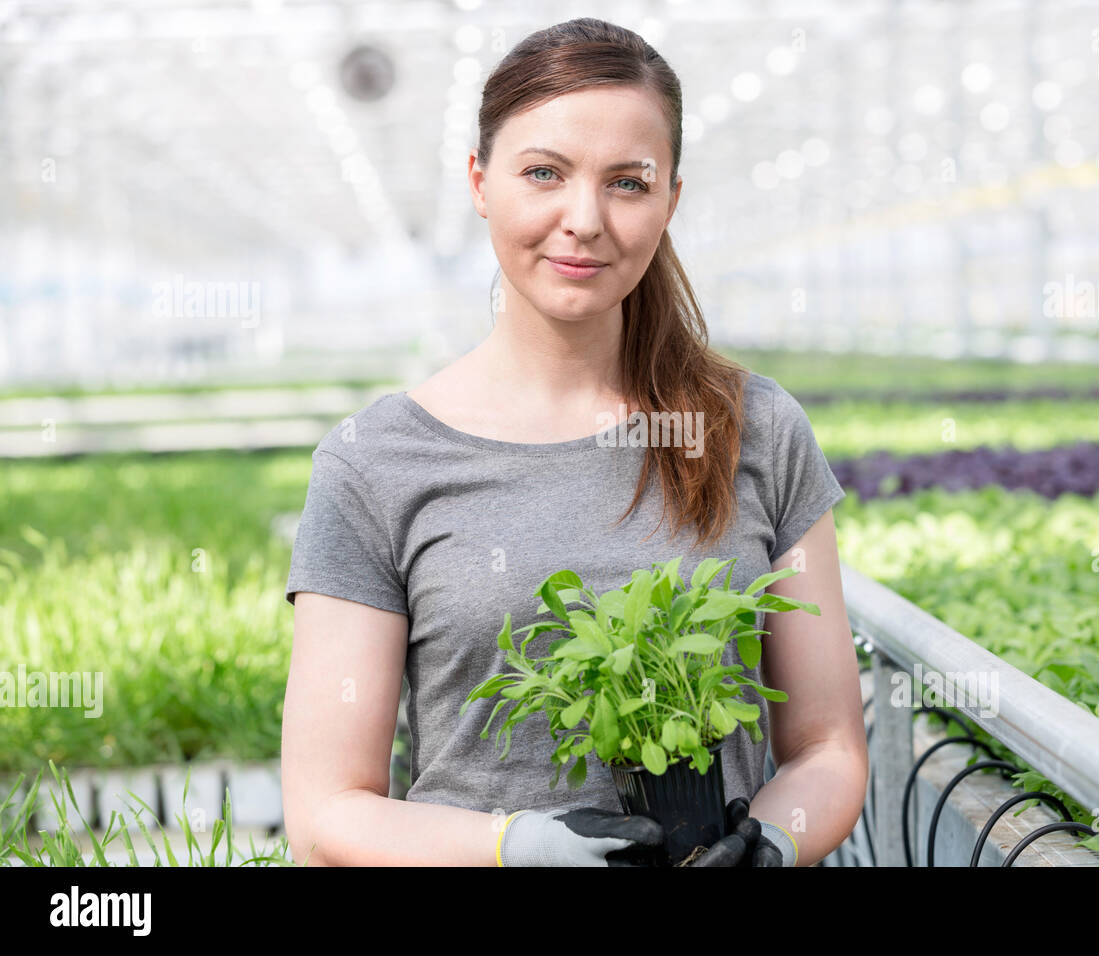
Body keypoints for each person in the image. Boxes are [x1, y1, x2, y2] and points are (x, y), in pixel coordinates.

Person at [280, 16, 867, 867]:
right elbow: (327, 808)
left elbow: (829, 747)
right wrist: (510, 848)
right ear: (481, 182)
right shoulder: (374, 462)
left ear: (671, 198)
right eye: (544, 173)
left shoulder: (757, 428)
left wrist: (774, 842)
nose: (583, 219)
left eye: (628, 182)